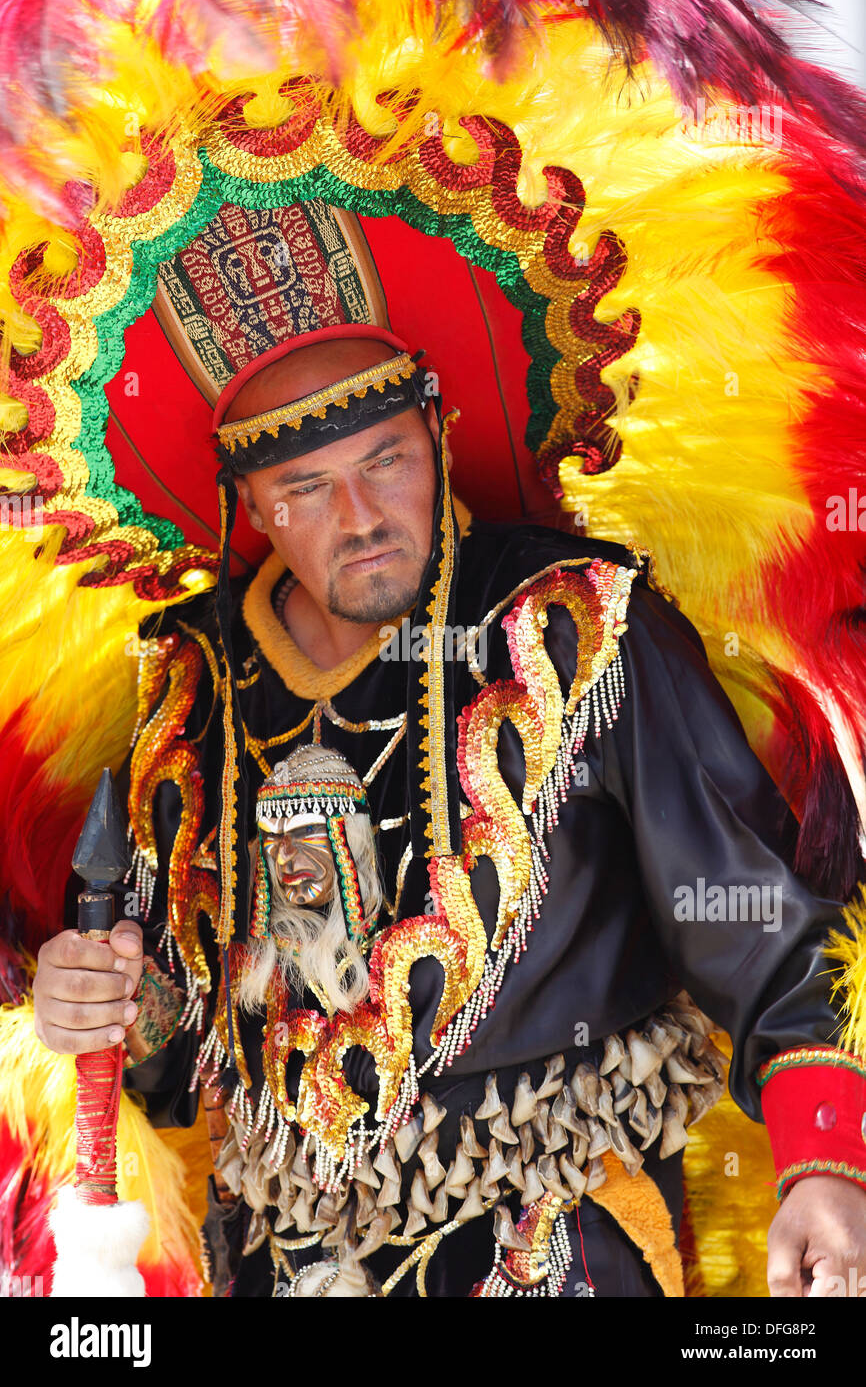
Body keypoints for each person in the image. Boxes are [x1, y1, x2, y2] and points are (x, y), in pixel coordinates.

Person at [31, 324, 866, 1298]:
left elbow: (766, 931)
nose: (359, 515)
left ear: (438, 430)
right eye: (304, 487)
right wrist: (104, 1004)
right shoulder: (190, 684)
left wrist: (824, 1165)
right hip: (277, 1266)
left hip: (548, 1248)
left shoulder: (578, 623)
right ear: (251, 503)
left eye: (384, 460)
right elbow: (177, 1058)